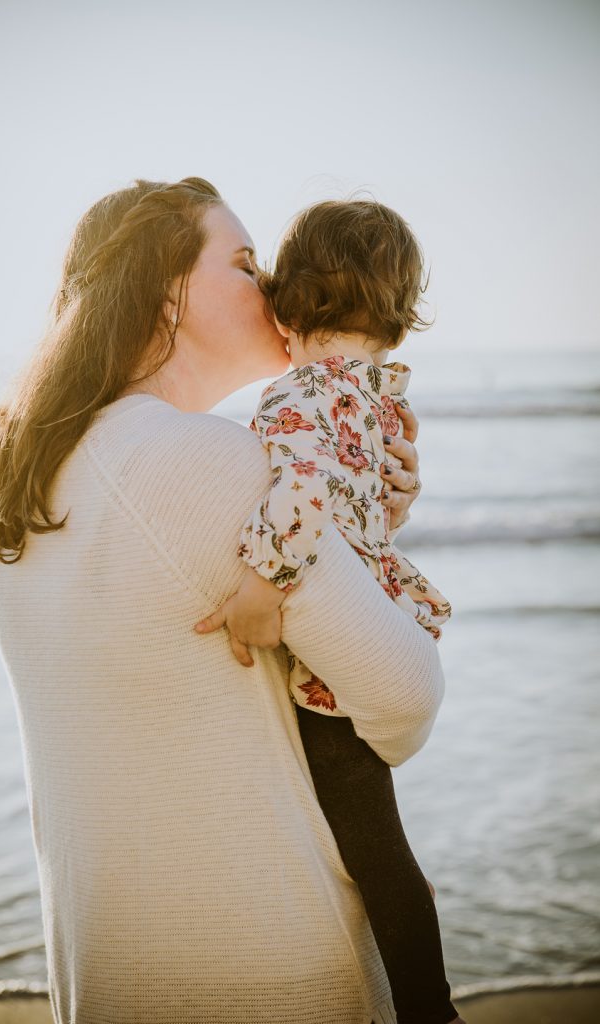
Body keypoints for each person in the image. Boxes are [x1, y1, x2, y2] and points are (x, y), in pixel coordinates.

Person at [0, 177, 464, 1024]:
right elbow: (404, 697)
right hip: (271, 974)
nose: (271, 286)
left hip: (108, 977)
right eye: (245, 262)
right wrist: (369, 554)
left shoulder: (28, 481)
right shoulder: (212, 465)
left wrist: (360, 517)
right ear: (169, 289)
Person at [194, 200, 458, 1024]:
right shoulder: (380, 398)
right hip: (374, 628)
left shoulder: (297, 394)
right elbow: (366, 504)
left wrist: (258, 587)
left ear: (289, 299)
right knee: (376, 839)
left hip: (329, 667)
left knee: (368, 845)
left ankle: (425, 1007)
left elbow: (303, 488)